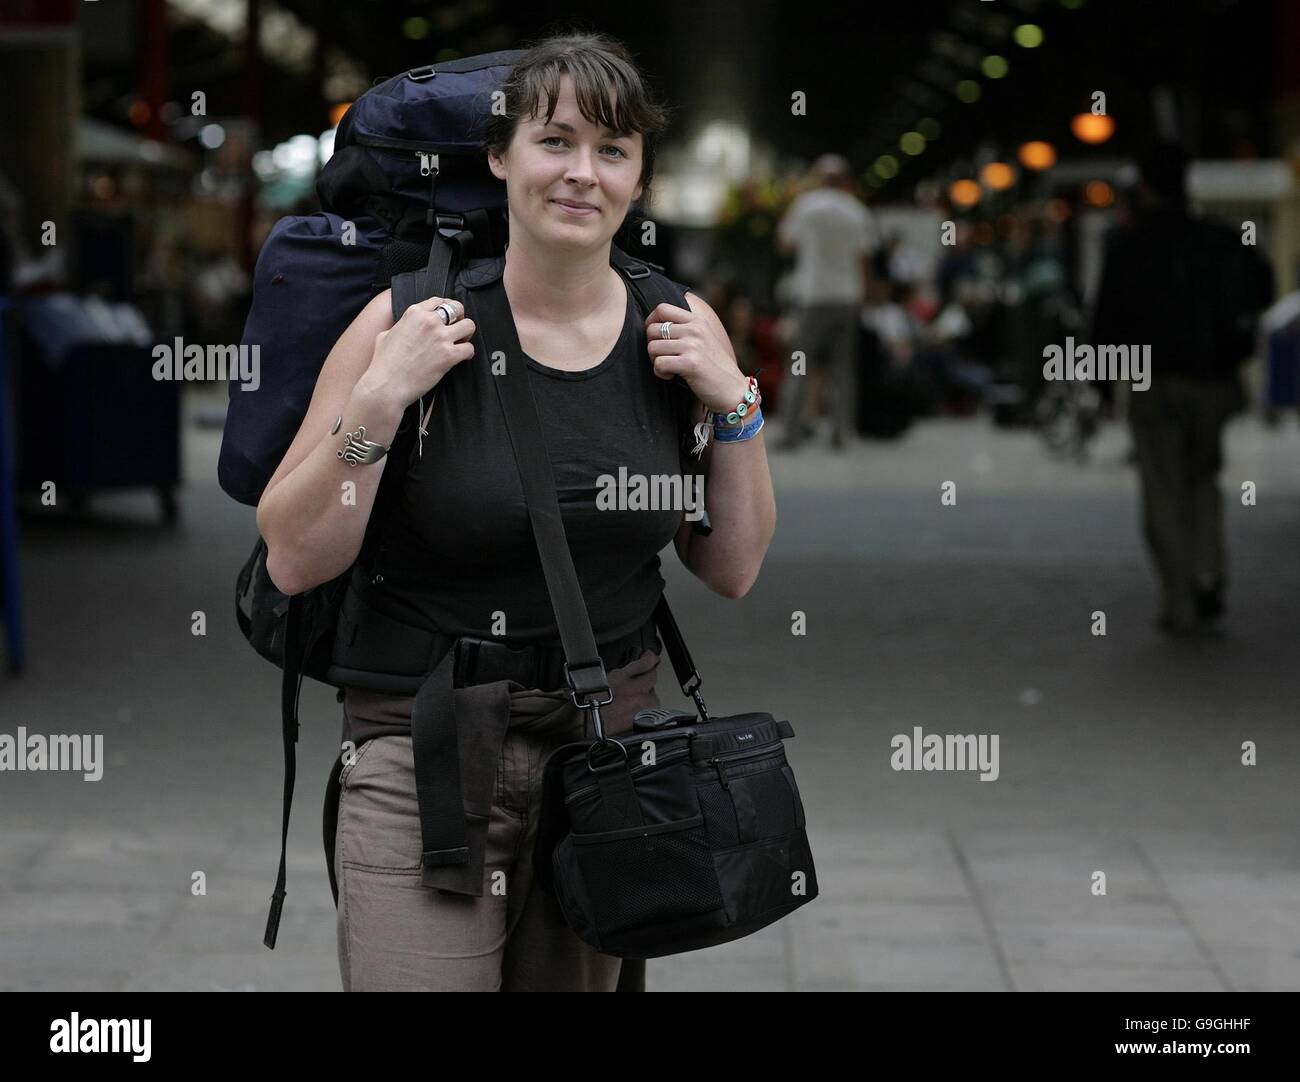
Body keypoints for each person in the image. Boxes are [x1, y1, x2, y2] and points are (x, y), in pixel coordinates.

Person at [254, 31, 776, 991]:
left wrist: (735, 402)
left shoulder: (675, 327)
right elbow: (291, 555)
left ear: (638, 178)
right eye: (556, 142)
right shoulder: (405, 320)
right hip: (422, 756)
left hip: (605, 763)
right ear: (500, 159)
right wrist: (375, 408)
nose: (582, 173)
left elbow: (732, 567)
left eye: (612, 151)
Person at [1092, 140, 1266, 638]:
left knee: (1162, 488)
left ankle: (1180, 599)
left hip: (1153, 381)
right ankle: (1210, 568)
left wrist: (1105, 384)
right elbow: (1259, 288)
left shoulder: (1128, 246)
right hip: (1212, 381)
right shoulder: (1220, 239)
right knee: (1204, 478)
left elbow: (1107, 320)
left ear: (1143, 187)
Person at [774, 154, 877, 450]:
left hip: (812, 296)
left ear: (819, 178)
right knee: (843, 367)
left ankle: (791, 432)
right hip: (847, 297)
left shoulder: (805, 206)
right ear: (844, 180)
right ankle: (841, 434)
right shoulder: (856, 211)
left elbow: (784, 245)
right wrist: (868, 295)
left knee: (798, 364)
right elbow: (865, 259)